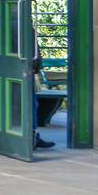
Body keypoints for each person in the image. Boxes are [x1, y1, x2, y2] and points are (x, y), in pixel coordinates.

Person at [33, 21, 54, 149]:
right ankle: (32, 138)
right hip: (26, 72)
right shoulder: (24, 28)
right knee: (31, 105)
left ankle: (33, 137)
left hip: (28, 71)